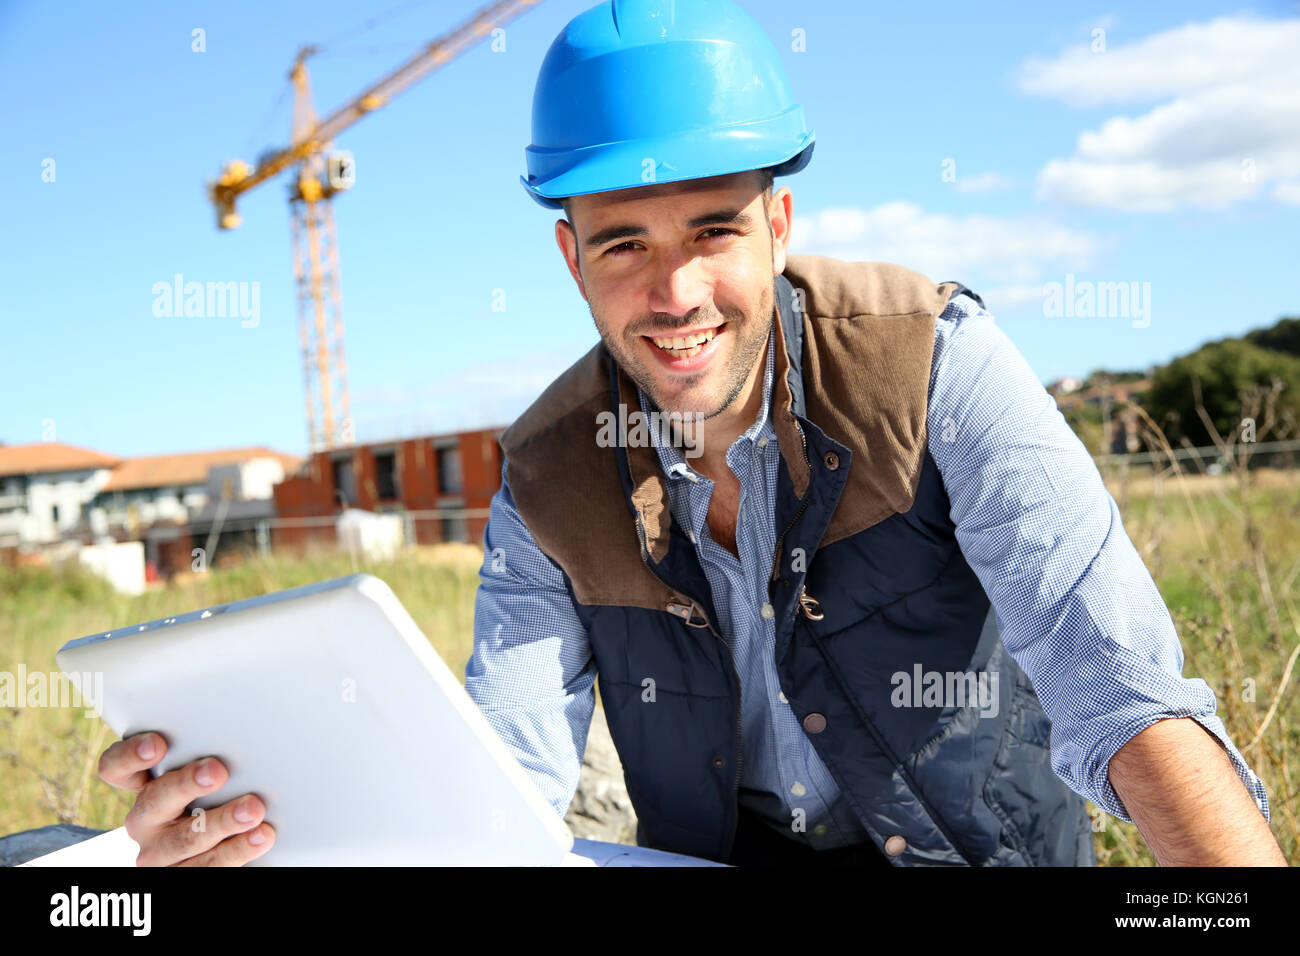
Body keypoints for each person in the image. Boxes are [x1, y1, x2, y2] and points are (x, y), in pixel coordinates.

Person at [96, 0, 1284, 867]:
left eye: (712, 230)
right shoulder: (547, 479)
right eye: (624, 243)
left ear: (777, 220)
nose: (674, 294)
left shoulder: (937, 366)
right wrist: (259, 841)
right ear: (570, 258)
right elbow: (510, 778)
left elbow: (1122, 696)